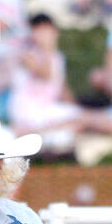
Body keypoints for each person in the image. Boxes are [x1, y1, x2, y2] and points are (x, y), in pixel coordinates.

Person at [7, 12, 86, 152]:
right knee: (74, 122)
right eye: (39, 30)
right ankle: (26, 133)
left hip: (46, 108)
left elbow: (60, 86)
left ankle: (36, 134)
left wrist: (74, 106)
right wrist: (47, 49)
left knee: (79, 120)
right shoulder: (27, 54)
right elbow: (45, 74)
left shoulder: (58, 57)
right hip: (28, 109)